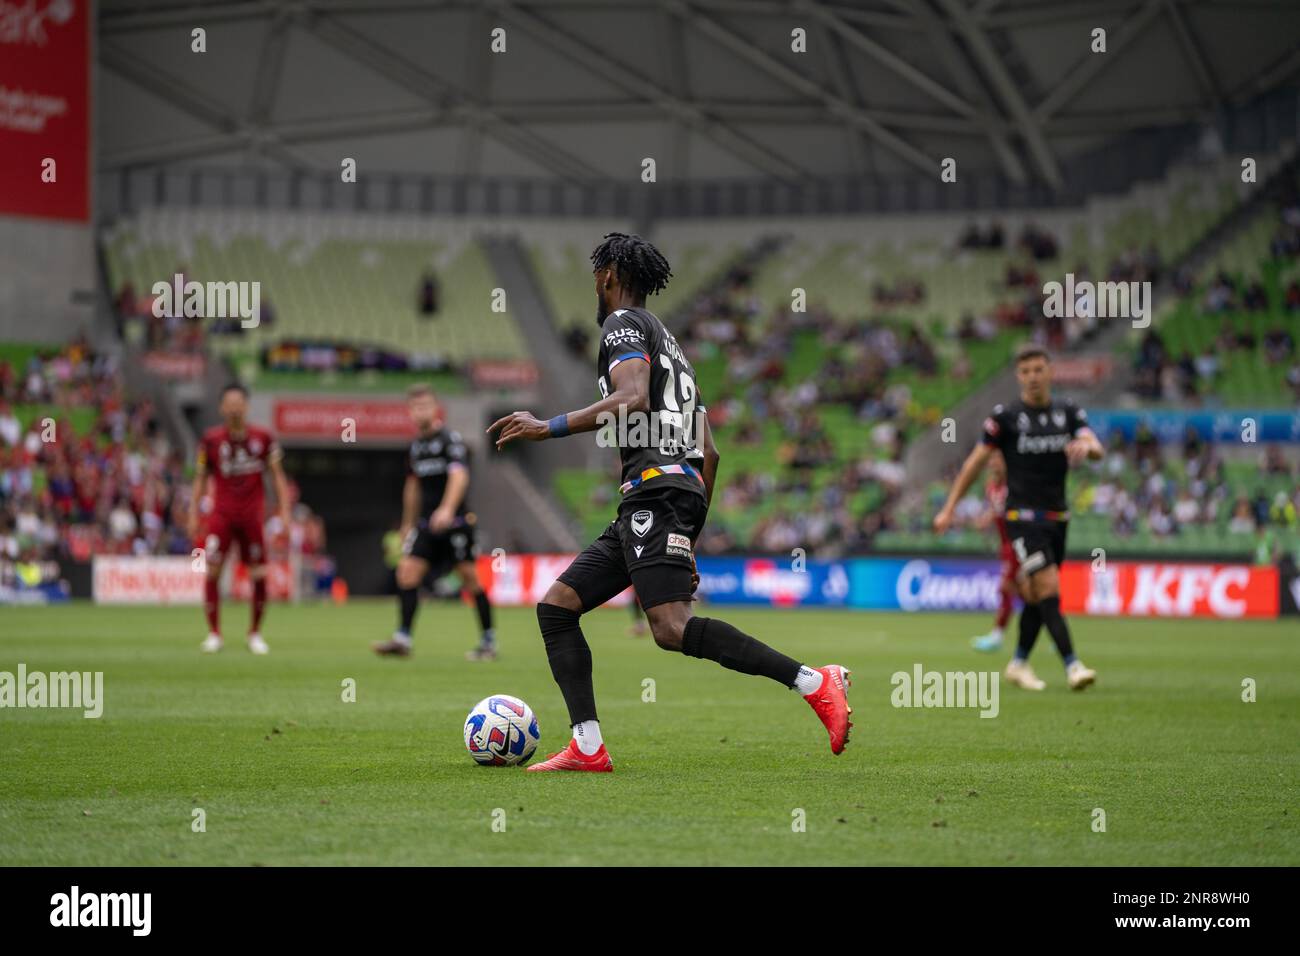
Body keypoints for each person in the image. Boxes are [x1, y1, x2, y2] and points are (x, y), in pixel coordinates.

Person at [488, 232, 851, 772]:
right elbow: (712, 450)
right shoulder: (672, 347)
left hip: (654, 492)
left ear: (609, 273)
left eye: (595, 272)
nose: (594, 282)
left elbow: (630, 398)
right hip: (663, 494)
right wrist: (689, 537)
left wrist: (550, 426)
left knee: (671, 628)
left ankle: (814, 682)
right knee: (557, 608)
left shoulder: (622, 324)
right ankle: (588, 746)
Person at [933, 345, 1101, 691]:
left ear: (1050, 372)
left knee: (1040, 595)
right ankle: (1073, 665)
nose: (1033, 377)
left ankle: (1019, 662)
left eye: (1039, 369)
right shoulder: (1005, 418)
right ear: (1018, 376)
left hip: (1058, 517)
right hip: (1021, 517)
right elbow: (974, 463)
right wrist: (950, 507)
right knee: (1048, 587)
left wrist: (1089, 448)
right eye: (1026, 371)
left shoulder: (1068, 412)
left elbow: (1094, 444)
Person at [372, 385, 496, 660]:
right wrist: (407, 524)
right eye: (415, 407)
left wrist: (447, 509)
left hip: (456, 522)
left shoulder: (449, 440)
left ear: (436, 408)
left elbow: (459, 475)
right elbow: (413, 486)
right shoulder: (417, 447)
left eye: (425, 406)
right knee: (406, 573)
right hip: (426, 524)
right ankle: (403, 638)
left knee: (469, 578)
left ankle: (488, 642)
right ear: (410, 412)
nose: (421, 411)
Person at [188, 384, 291, 654]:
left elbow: (277, 477)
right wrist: (193, 512)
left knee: (259, 573)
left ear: (246, 406)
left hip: (252, 516)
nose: (234, 408)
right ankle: (214, 633)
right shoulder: (210, 440)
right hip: (220, 515)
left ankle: (255, 633)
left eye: (238, 403)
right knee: (212, 571)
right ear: (222, 407)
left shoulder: (264, 438)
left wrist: (285, 512)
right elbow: (200, 478)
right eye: (229, 403)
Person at [970, 450, 1018, 653]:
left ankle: (997, 636)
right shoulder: (991, 487)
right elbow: (996, 510)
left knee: (1006, 588)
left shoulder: (1016, 484)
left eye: (997, 459)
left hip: (1019, 543)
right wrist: (986, 519)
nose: (993, 463)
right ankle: (1054, 629)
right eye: (991, 460)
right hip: (1005, 545)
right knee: (1028, 592)